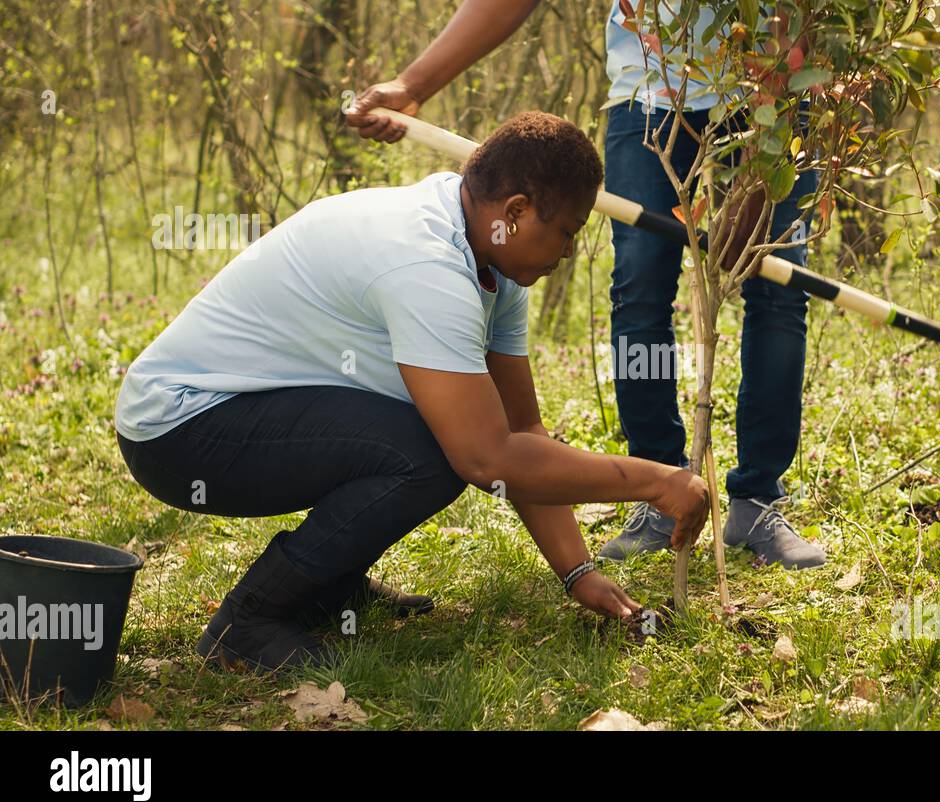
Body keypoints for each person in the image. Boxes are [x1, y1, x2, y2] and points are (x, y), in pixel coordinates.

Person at [114, 112, 710, 674]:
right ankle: (249, 621)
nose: (568, 253)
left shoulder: (488, 258)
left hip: (242, 412)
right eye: (567, 233)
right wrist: (657, 481)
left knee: (435, 433)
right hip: (180, 428)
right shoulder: (427, 265)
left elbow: (522, 433)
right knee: (432, 455)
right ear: (519, 211)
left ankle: (330, 584)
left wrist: (577, 571)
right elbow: (487, 459)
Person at [347, 0, 826, 570]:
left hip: (780, 100)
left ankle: (757, 500)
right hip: (652, 94)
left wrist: (766, 132)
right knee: (640, 291)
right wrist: (412, 83)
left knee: (778, 287)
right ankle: (658, 491)